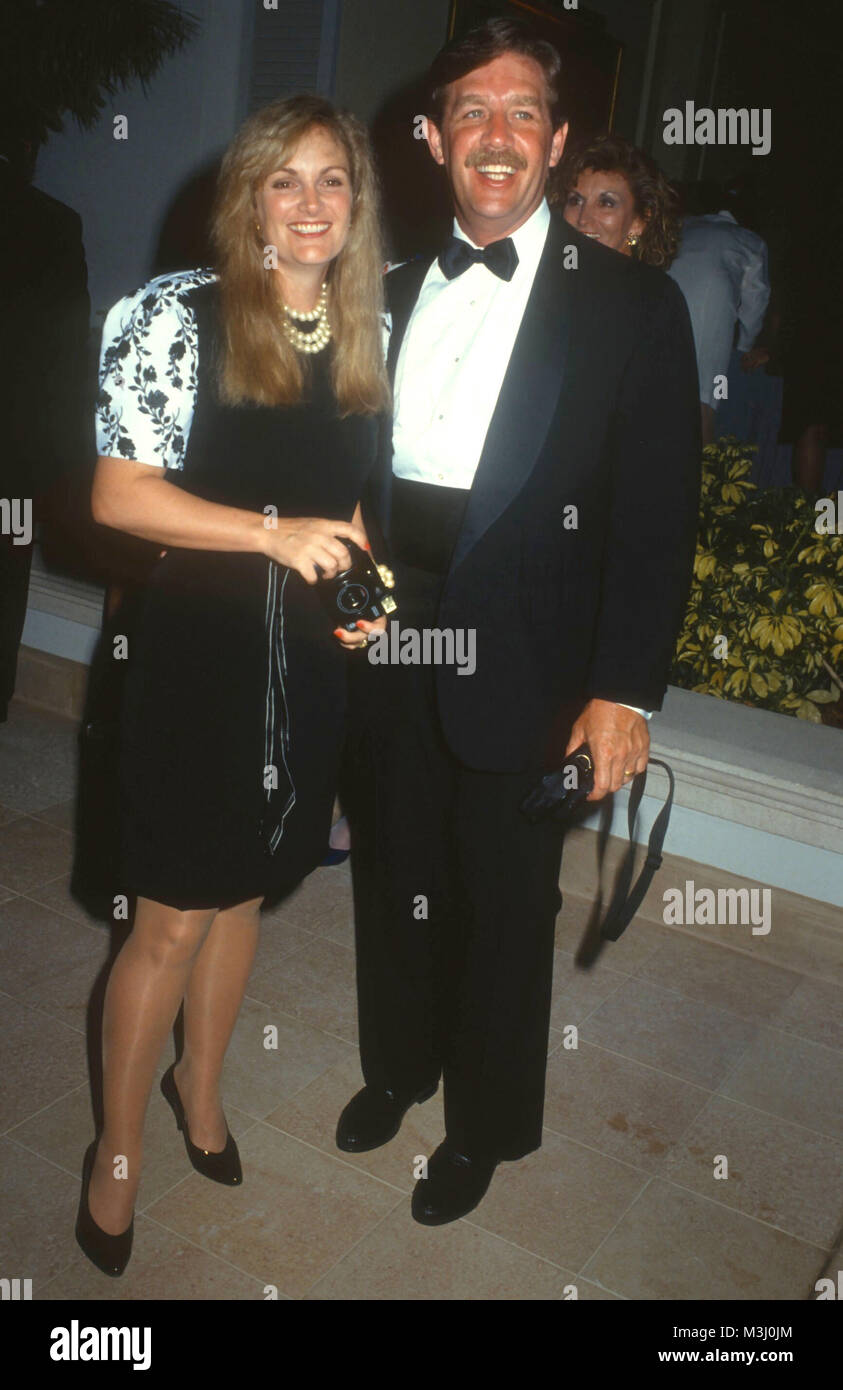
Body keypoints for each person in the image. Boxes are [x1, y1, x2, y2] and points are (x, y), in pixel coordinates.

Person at [337, 16, 701, 1226]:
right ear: (434, 138)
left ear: (554, 144)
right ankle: (399, 1063)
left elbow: (656, 523)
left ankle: (484, 1126)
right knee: (396, 867)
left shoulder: (633, 308)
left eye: (524, 113)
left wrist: (623, 691)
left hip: (535, 642)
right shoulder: (380, 289)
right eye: (473, 113)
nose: (498, 136)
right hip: (398, 627)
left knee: (504, 897)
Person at [76, 94, 389, 1276]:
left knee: (252, 885)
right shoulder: (172, 315)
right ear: (249, 199)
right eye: (286, 181)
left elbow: (348, 498)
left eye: (335, 181)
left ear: (359, 204)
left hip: (305, 659)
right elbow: (119, 497)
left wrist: (361, 576)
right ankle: (116, 1152)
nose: (312, 205)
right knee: (171, 913)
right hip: (199, 657)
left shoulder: (368, 331)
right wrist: (274, 535)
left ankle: (197, 1089)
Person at [0, 123, 90, 721]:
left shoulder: (58, 224)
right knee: (7, 571)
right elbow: (67, 352)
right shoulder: (56, 224)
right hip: (18, 448)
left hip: (20, 446)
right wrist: (62, 458)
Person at [667, 182, 770, 446]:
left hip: (664, 307)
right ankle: (707, 482)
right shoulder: (750, 240)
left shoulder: (685, 225)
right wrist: (745, 345)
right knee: (704, 405)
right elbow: (756, 300)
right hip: (711, 317)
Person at [553, 132, 679, 268]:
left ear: (638, 223)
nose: (583, 218)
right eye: (575, 201)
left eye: (606, 203)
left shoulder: (651, 288)